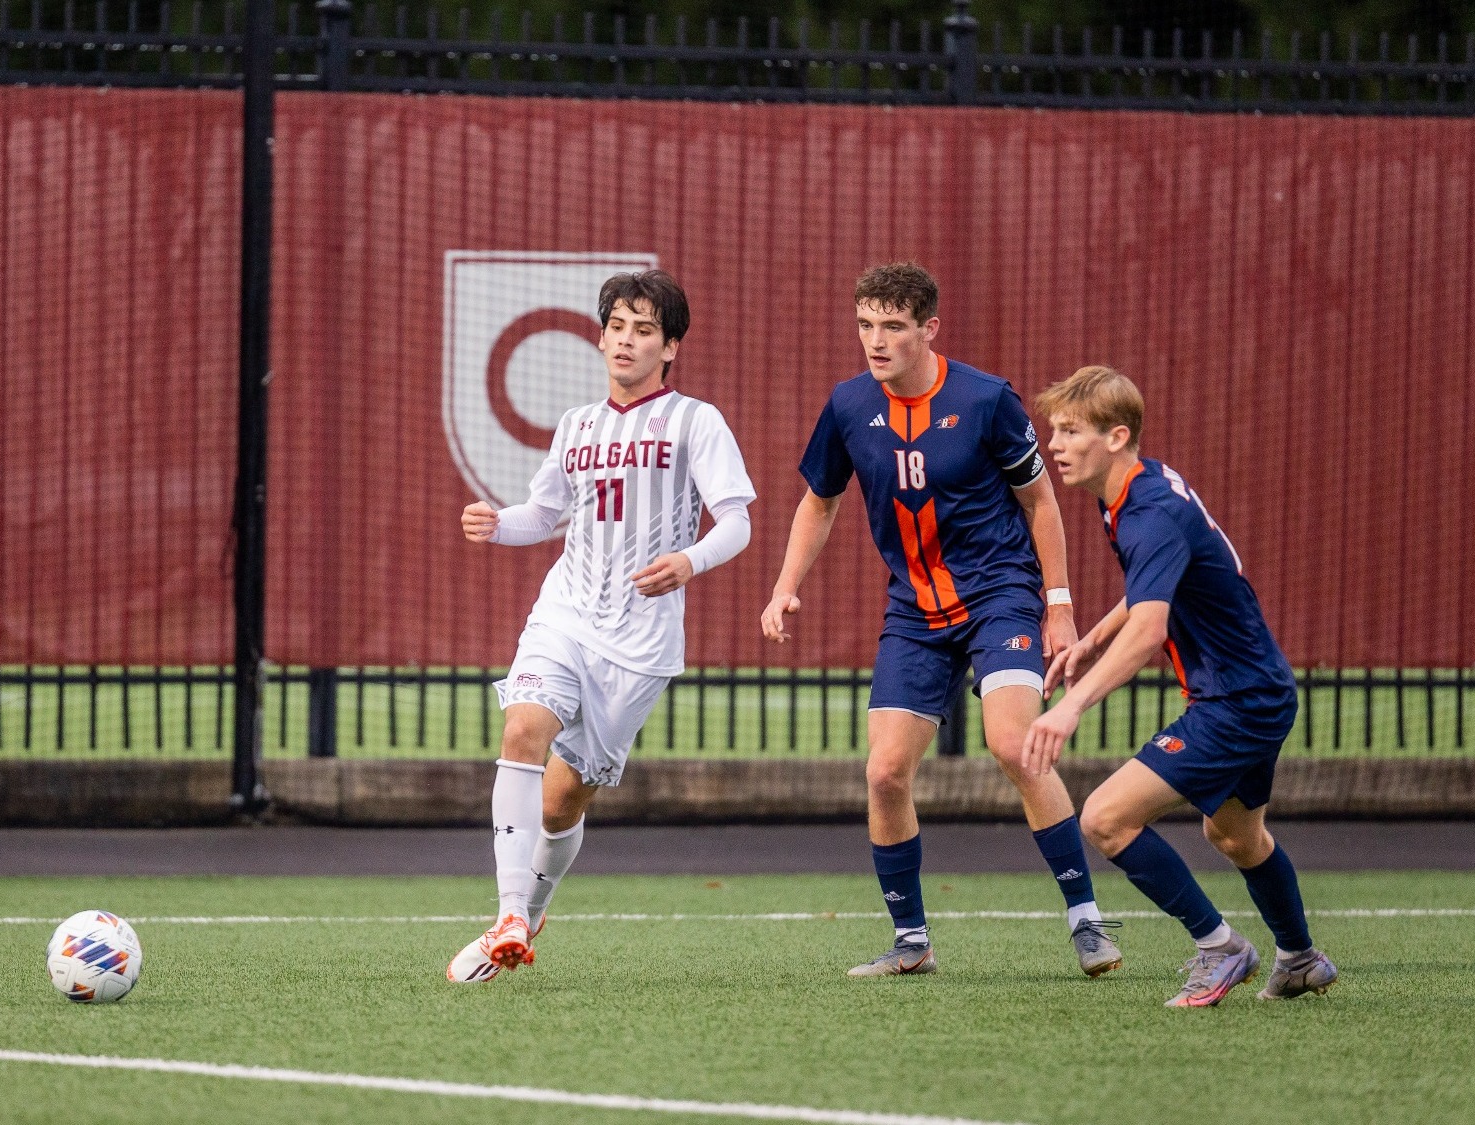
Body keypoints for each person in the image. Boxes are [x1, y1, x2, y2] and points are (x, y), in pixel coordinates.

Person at [760, 262, 1120, 978]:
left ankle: (1087, 919)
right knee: (886, 772)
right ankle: (911, 942)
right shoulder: (847, 406)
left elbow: (1041, 503)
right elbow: (818, 502)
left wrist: (1059, 606)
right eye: (865, 323)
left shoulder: (986, 399)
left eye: (893, 325)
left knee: (1015, 746)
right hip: (914, 609)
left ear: (929, 328)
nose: (876, 338)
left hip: (1000, 596)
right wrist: (783, 586)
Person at [447, 269, 757, 983]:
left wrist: (689, 560)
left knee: (563, 800)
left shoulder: (695, 420)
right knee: (523, 728)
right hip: (565, 612)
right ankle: (511, 914)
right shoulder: (576, 425)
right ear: (600, 334)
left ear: (669, 345)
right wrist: (497, 525)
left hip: (640, 643)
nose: (626, 339)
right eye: (617, 325)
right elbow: (544, 513)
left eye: (644, 329)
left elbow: (736, 521)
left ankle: (538, 902)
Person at [1024, 364, 1338, 1007]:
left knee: (1107, 818)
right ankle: (1301, 959)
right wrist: (1090, 641)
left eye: (1070, 430)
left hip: (1236, 701)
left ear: (1115, 436)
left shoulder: (1147, 510)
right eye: (1052, 430)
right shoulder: (1138, 488)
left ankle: (1219, 948)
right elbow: (1153, 588)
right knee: (1234, 836)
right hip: (1258, 690)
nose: (1054, 444)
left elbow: (1149, 630)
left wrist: (1071, 708)